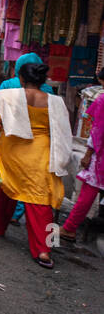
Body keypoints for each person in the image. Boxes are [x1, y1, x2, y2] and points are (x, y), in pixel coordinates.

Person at [0, 60, 72, 268]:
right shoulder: (55, 101)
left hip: (11, 151)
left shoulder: (9, 96)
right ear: (42, 80)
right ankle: (45, 251)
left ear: (20, 78)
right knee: (42, 202)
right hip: (41, 154)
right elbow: (62, 130)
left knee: (2, 190)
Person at [64, 69, 104, 242]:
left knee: (87, 193)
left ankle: (69, 228)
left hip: (100, 157)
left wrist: (88, 154)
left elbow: (97, 131)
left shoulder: (102, 99)